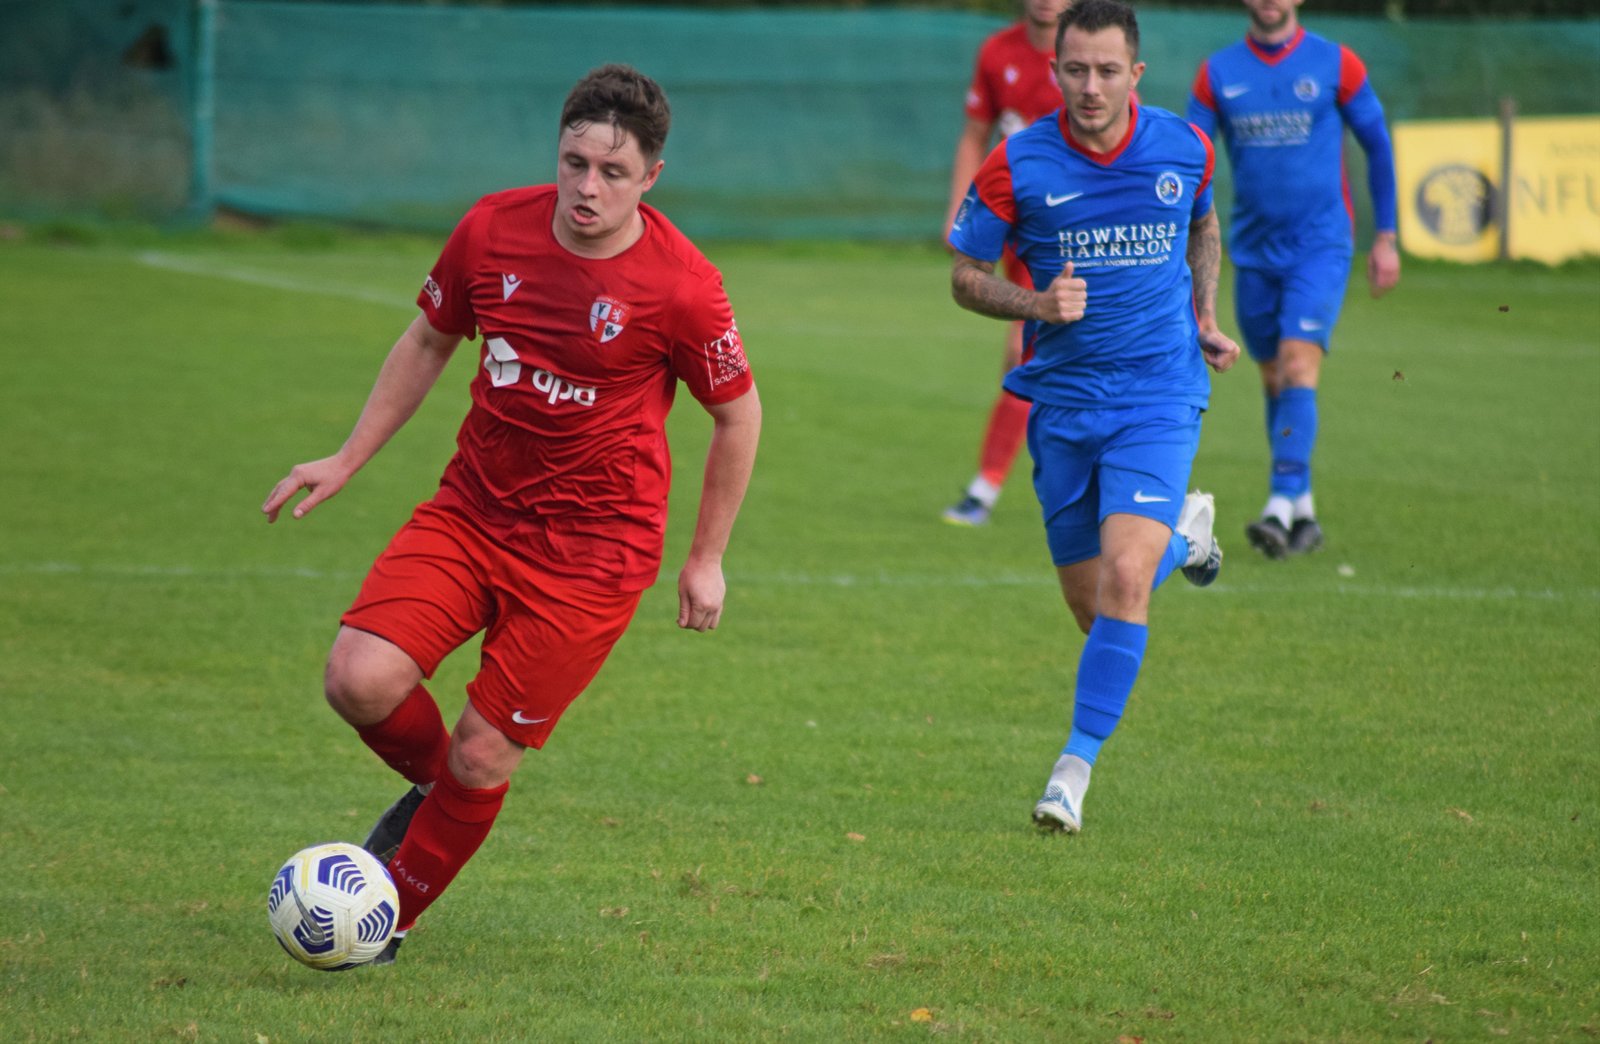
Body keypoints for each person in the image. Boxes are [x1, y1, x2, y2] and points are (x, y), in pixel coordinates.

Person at [261, 64, 761, 963]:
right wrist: (347, 456)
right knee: (358, 679)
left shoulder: (683, 287)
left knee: (485, 756)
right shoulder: (492, 229)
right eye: (574, 162)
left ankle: (386, 921)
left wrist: (707, 558)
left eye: (613, 172)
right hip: (473, 512)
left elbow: (739, 414)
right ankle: (444, 799)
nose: (586, 187)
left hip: (593, 554)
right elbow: (428, 339)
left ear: (652, 176)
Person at [948, 0, 1240, 834]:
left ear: (1135, 74)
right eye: (1075, 69)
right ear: (1056, 70)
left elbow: (1203, 222)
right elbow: (965, 274)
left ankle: (1070, 773)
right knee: (1096, 606)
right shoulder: (1018, 163)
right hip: (1066, 404)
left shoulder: (1185, 146)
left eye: (1108, 70)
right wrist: (1036, 300)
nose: (1090, 86)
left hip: (1158, 393)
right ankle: (1186, 536)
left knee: (1122, 579)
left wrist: (1206, 316)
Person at [1187, 0, 1400, 558]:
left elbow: (1377, 143)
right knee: (1275, 378)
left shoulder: (1337, 63)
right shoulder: (1217, 73)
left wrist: (1386, 237)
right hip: (1254, 252)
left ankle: (1278, 507)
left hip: (1320, 247)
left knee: (1300, 361)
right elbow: (1187, 157)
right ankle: (1303, 508)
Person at [940, 0, 1072, 527]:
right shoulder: (998, 52)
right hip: (1018, 230)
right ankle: (987, 486)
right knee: (1023, 352)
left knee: (1052, 355)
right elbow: (976, 133)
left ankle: (997, 487)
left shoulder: (1087, 56)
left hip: (1076, 233)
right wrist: (959, 208)